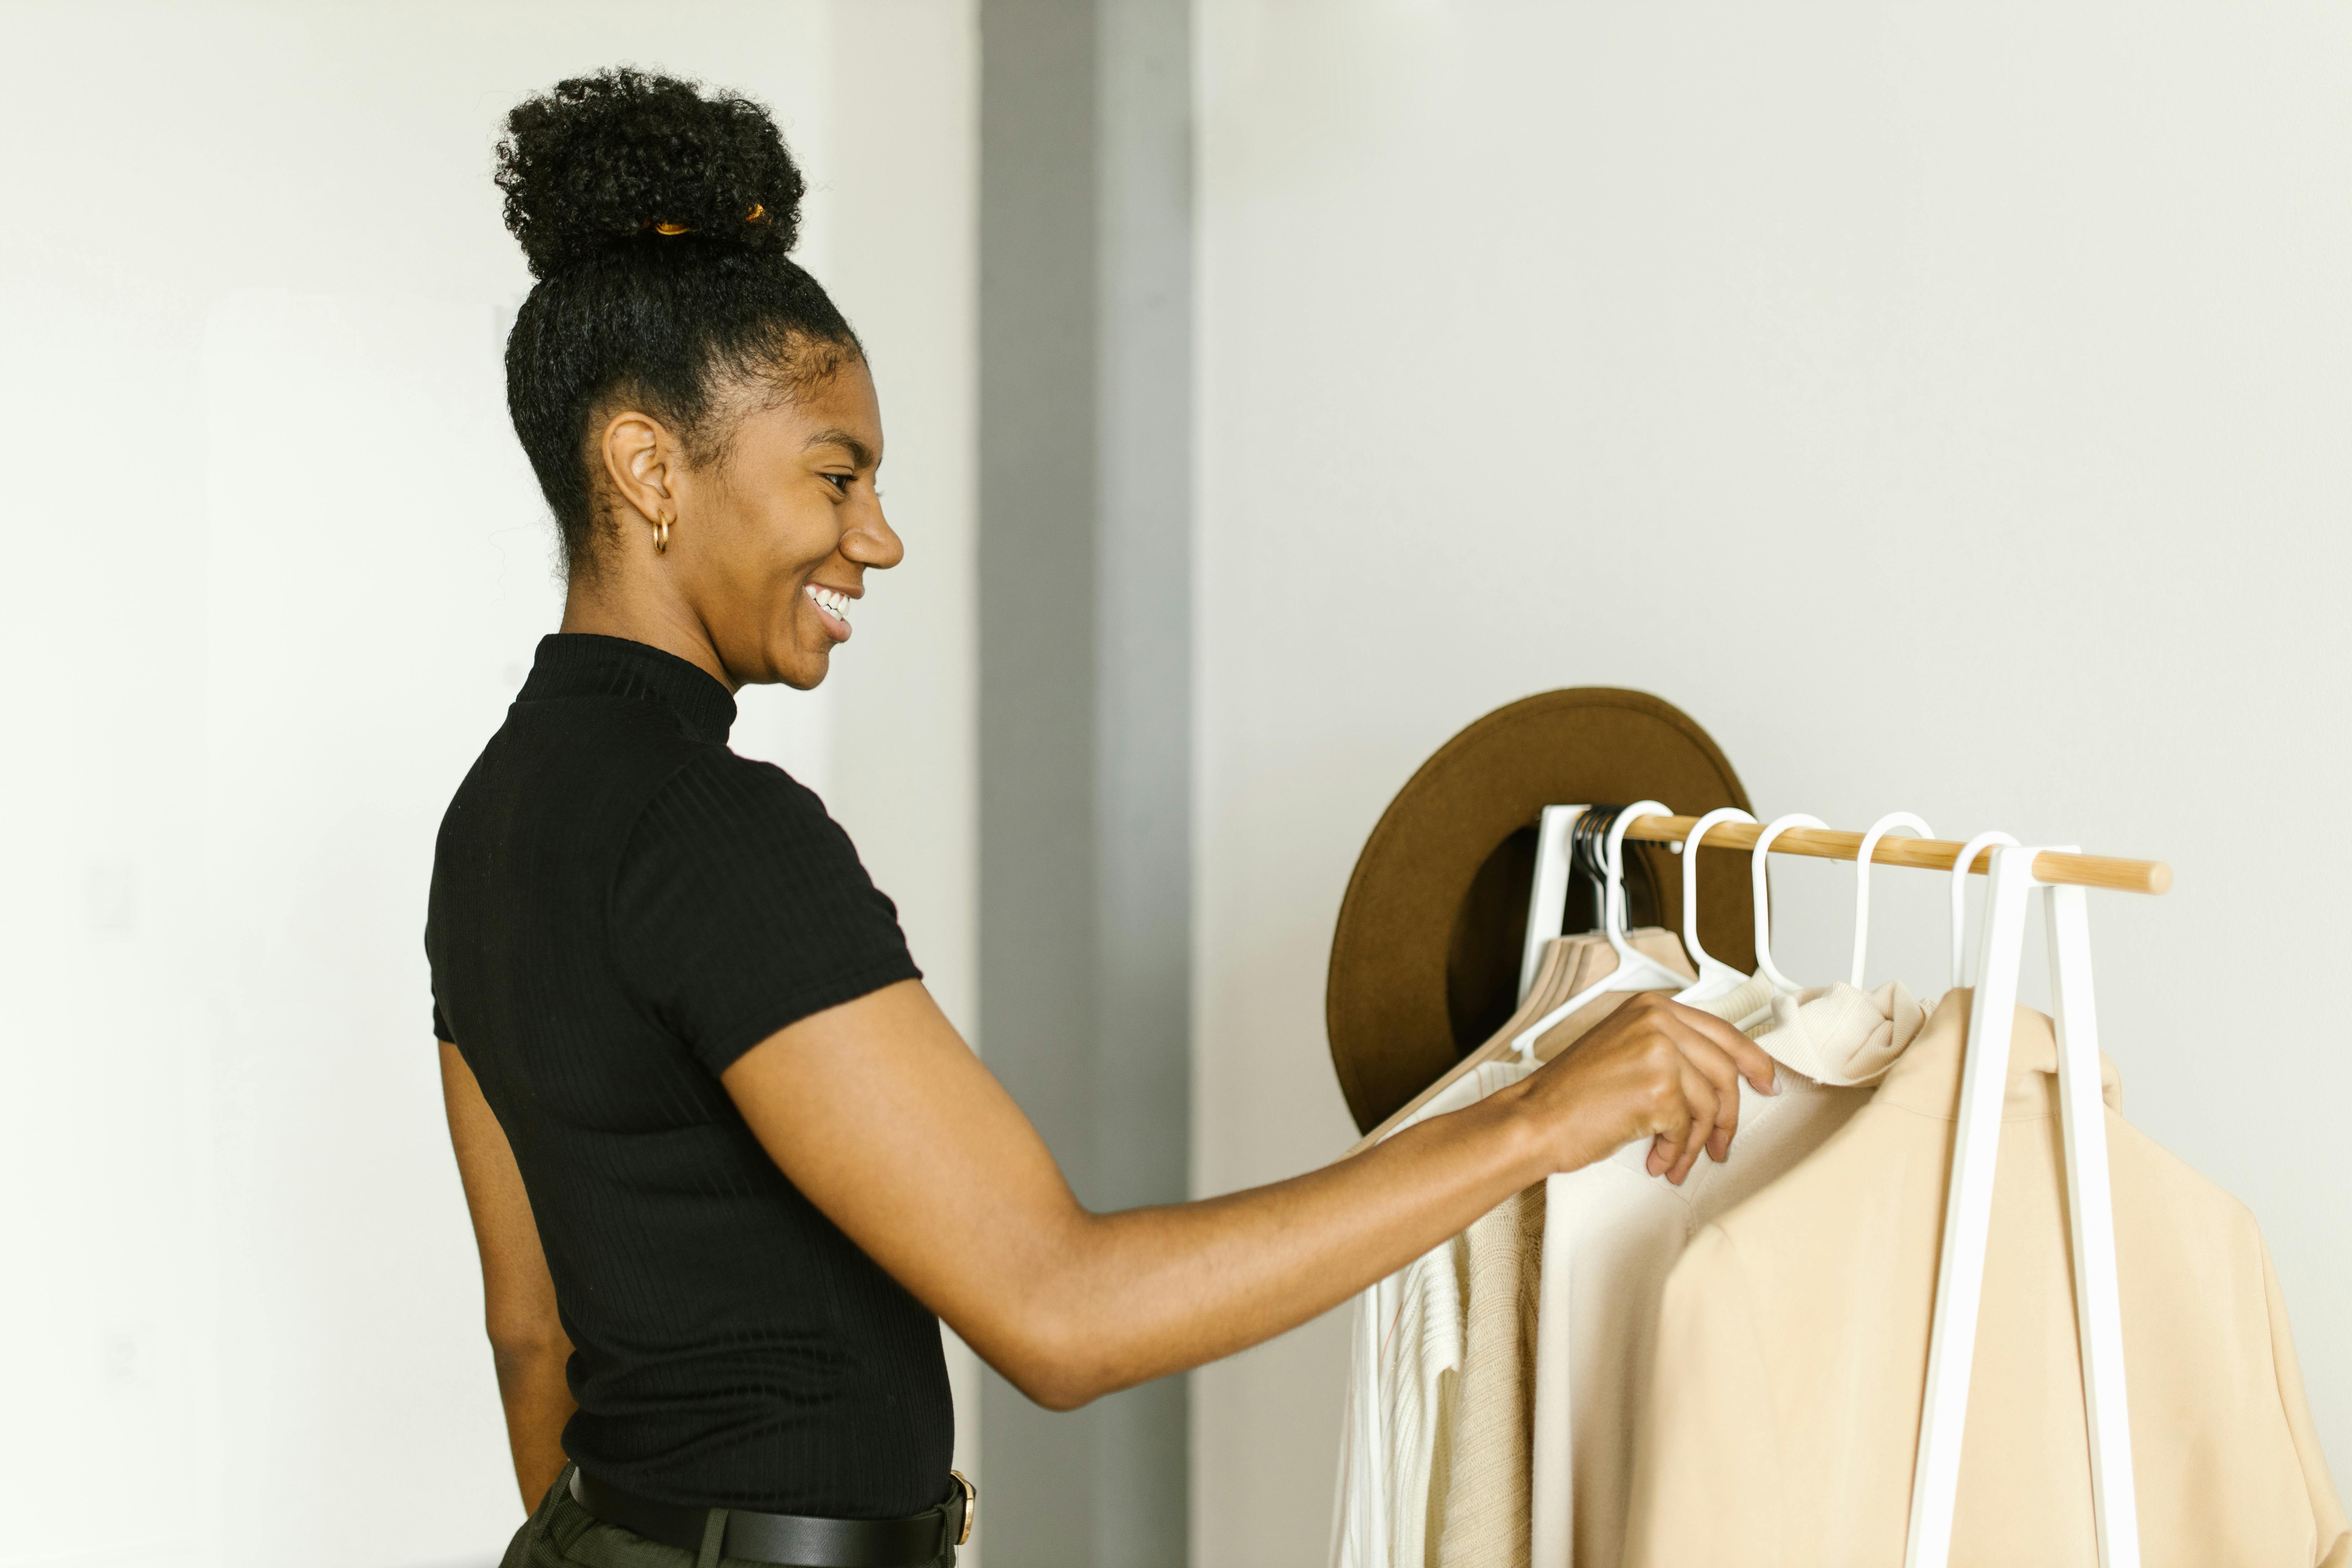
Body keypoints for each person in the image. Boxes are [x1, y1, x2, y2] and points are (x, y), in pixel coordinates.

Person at [428, 67, 1777, 1568]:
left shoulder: (491, 820)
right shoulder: (714, 833)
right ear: (645, 467)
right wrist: (1534, 1119)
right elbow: (1061, 1316)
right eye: (836, 473)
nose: (877, 537)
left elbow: (530, 1336)